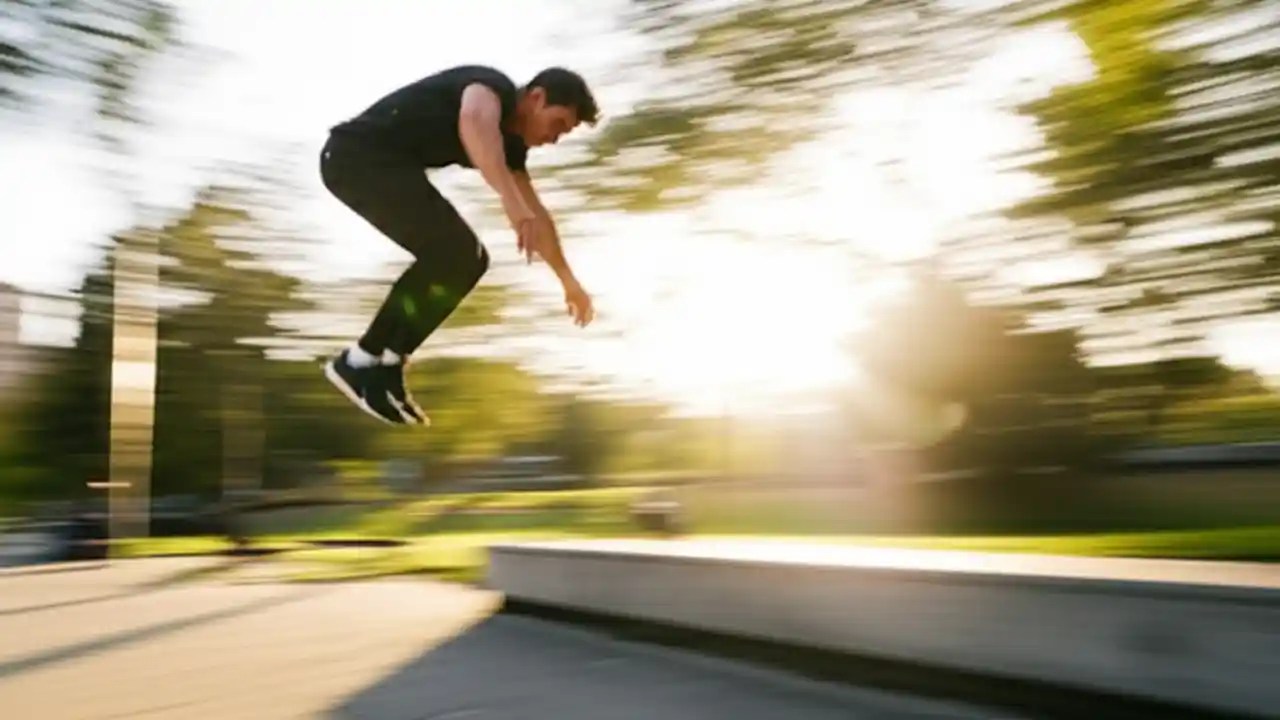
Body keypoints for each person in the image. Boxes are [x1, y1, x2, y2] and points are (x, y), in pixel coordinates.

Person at [318, 65, 599, 426]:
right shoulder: (489, 88)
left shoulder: (511, 150)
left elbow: (538, 218)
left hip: (386, 168)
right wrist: (510, 199)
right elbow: (473, 122)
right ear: (536, 97)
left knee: (469, 259)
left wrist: (568, 281)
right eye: (558, 124)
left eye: (564, 133)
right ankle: (359, 361)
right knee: (454, 249)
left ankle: (387, 364)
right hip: (354, 157)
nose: (554, 138)